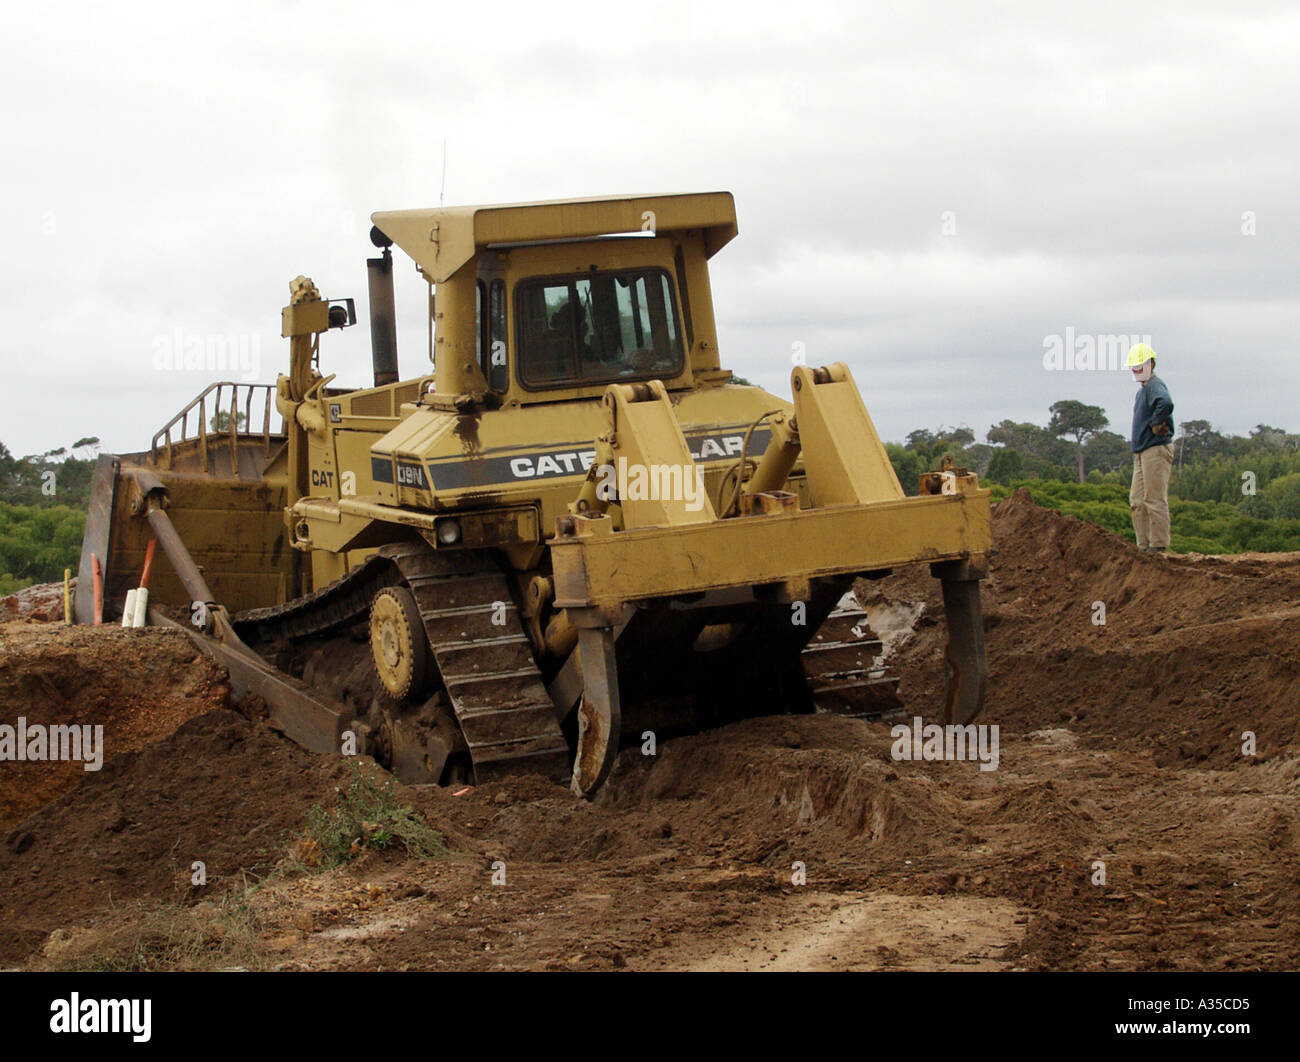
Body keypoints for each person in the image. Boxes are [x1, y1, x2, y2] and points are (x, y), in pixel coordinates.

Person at [1126, 343, 1175, 554]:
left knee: (1154, 499)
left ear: (1151, 364)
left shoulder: (1155, 385)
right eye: (1134, 366)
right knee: (1137, 501)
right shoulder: (1143, 390)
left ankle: (1158, 546)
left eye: (1140, 365)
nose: (1136, 370)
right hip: (1142, 451)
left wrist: (1157, 422)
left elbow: (1165, 402)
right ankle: (1143, 547)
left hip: (1155, 449)